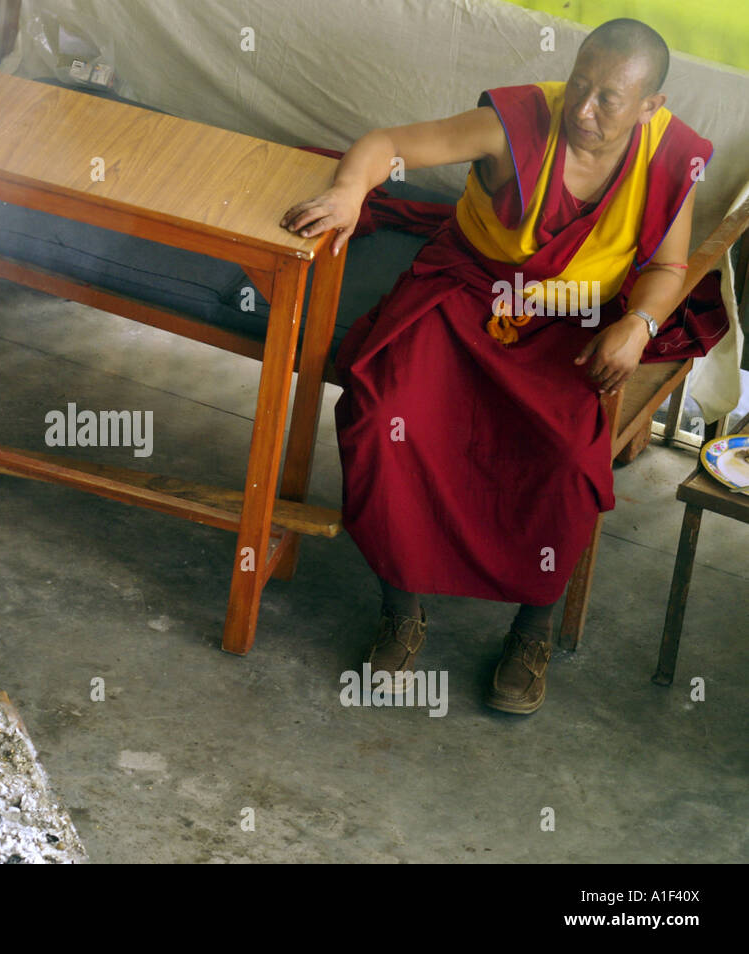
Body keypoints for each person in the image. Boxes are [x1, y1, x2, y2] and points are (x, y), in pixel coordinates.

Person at [279, 18, 715, 714]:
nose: (582, 109)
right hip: (469, 292)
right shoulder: (514, 123)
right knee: (385, 417)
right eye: (579, 84)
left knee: (571, 460)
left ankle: (532, 628)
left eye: (609, 99)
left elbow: (667, 265)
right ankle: (401, 607)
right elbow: (389, 146)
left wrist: (639, 323)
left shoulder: (672, 158)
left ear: (650, 108)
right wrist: (350, 193)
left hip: (571, 322)